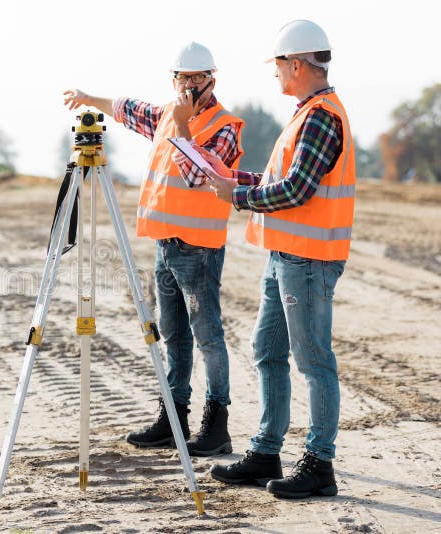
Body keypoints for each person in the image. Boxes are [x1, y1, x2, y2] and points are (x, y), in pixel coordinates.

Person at [63, 42, 245, 457]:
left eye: (199, 78)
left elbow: (198, 175)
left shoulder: (225, 125)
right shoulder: (165, 115)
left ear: (212, 80)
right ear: (175, 79)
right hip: (167, 245)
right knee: (172, 335)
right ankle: (171, 418)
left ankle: (217, 425)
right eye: (185, 78)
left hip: (199, 249)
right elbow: (127, 108)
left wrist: (182, 125)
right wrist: (88, 98)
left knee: (207, 336)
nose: (192, 85)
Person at [202, 20, 355, 498]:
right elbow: (278, 177)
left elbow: (296, 189)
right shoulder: (306, 112)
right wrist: (233, 179)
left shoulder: (321, 117)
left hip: (307, 259)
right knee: (267, 351)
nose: (274, 75)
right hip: (285, 256)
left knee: (313, 361)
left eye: (277, 66)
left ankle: (319, 464)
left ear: (295, 64)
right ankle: (267, 450)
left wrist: (240, 196)